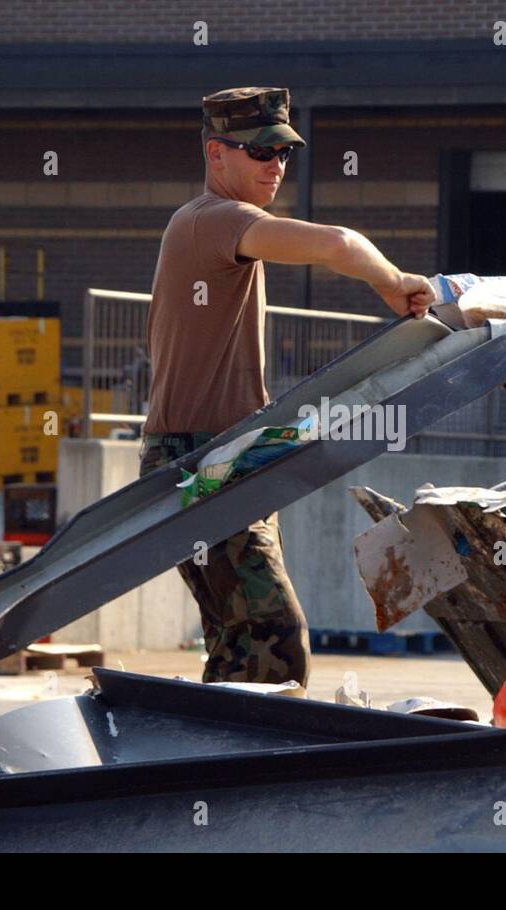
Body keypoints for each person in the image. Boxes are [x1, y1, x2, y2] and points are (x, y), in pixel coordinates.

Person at [139, 86, 435, 686]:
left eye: (284, 154)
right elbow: (337, 245)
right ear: (217, 154)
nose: (275, 166)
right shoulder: (214, 220)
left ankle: (216, 765)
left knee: (240, 640)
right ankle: (249, 767)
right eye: (260, 152)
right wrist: (394, 281)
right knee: (271, 635)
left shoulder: (220, 229)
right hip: (199, 462)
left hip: (225, 455)